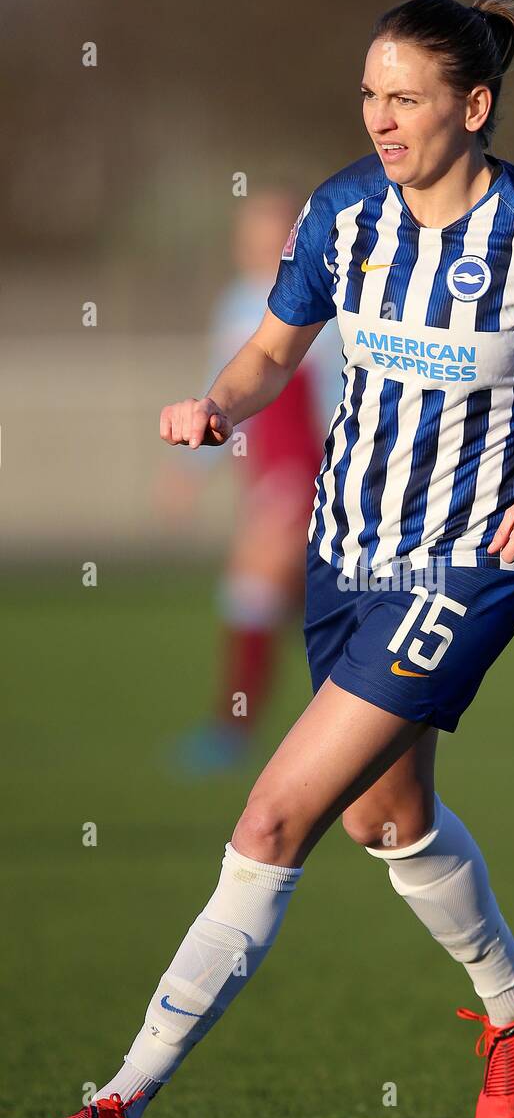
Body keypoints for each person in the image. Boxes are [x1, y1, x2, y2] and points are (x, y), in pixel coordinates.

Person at [46, 0, 514, 1118]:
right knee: (381, 819)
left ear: (473, 106)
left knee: (272, 817)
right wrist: (218, 405)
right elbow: (275, 347)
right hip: (343, 559)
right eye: (368, 96)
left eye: (405, 97)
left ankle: (116, 1101)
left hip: (465, 570)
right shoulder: (343, 212)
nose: (380, 119)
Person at [159, 190, 342, 772]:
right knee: (300, 597)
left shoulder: (329, 296)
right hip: (264, 468)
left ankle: (235, 730)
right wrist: (192, 467)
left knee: (256, 581)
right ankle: (346, 723)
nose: (261, 243)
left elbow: (335, 392)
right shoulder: (238, 301)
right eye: (252, 231)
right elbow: (224, 391)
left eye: (274, 230)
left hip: (307, 465)